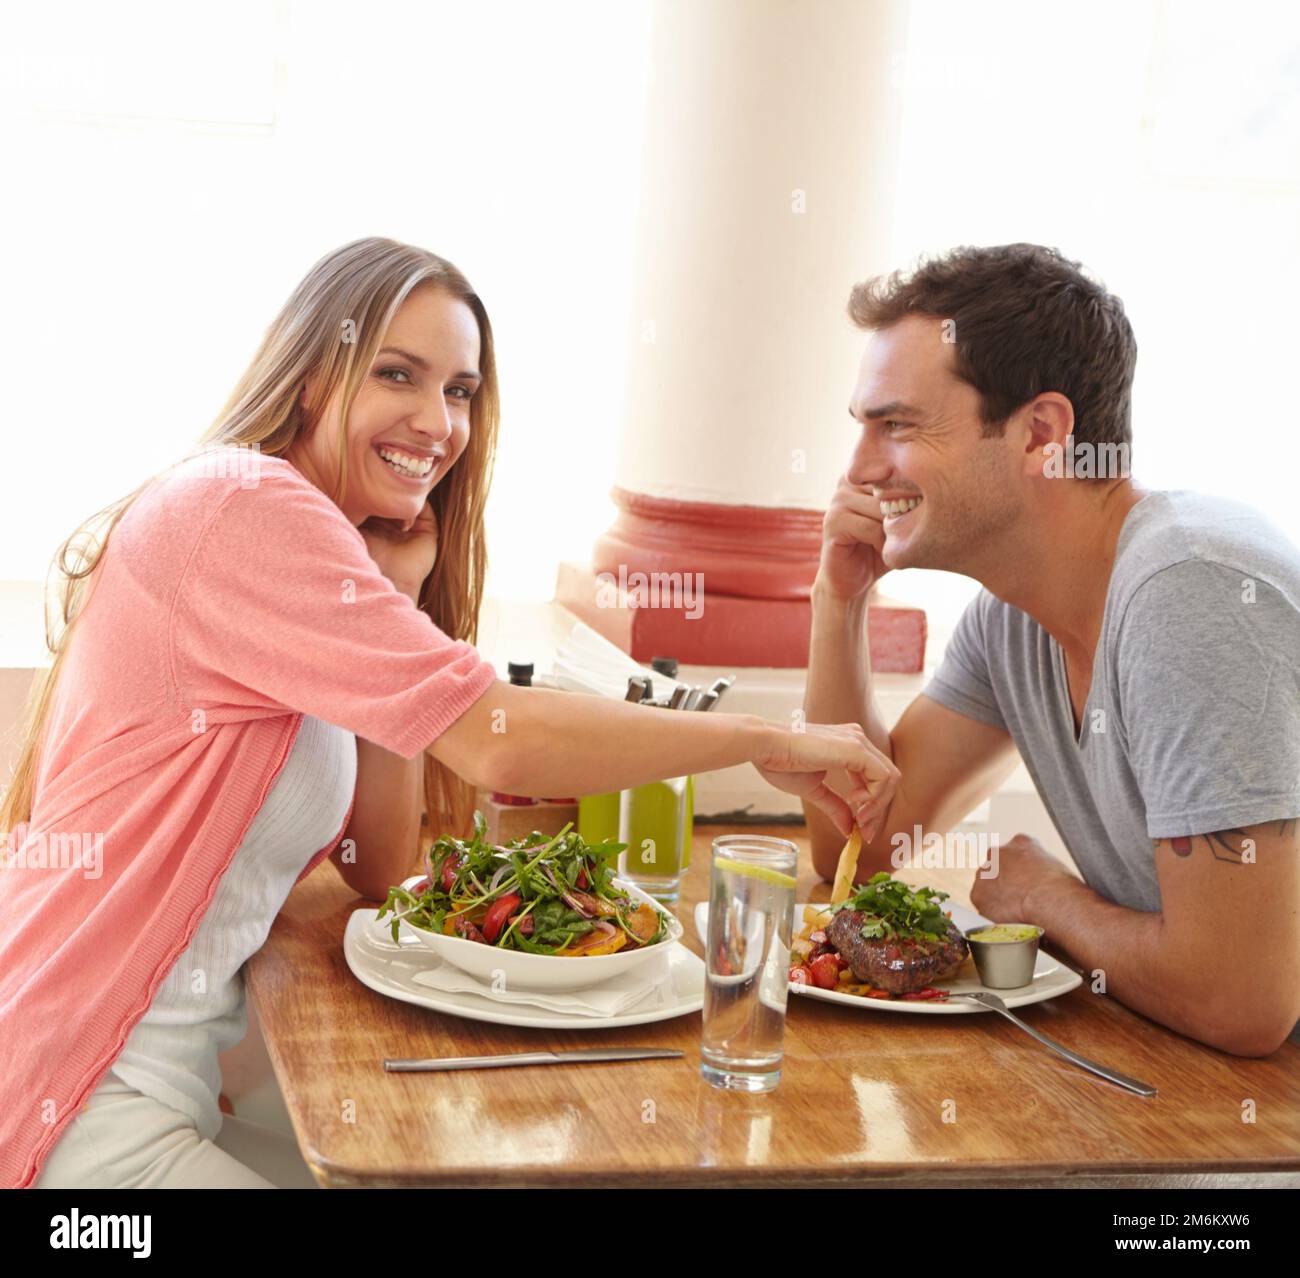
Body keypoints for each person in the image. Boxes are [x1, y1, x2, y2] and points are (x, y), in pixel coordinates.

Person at [0, 237, 899, 1189]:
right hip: (78, 1097)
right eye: (398, 375)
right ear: (311, 378)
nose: (438, 421)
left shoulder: (306, 549)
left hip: (160, 1085)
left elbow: (380, 866)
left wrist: (396, 592)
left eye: (461, 391)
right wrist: (764, 737)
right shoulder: (244, 505)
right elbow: (500, 745)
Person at [803, 243, 1300, 1057]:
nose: (857, 471)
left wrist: (1045, 899)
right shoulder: (1014, 616)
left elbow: (1241, 1000)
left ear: (1041, 433)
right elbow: (859, 842)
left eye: (896, 425)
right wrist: (838, 601)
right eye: (861, 428)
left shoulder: (1192, 591)